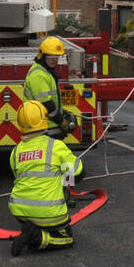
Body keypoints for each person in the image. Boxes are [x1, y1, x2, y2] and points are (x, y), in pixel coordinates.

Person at [9, 100, 83, 256]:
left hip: (20, 212)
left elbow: (20, 178)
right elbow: (78, 172)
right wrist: (65, 180)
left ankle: (32, 229)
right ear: (44, 119)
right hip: (50, 213)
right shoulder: (55, 146)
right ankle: (36, 236)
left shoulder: (15, 152)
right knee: (67, 238)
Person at [23, 36, 76, 137]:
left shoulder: (46, 71)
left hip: (47, 127)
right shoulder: (38, 74)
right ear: (42, 56)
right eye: (51, 56)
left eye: (57, 56)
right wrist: (61, 121)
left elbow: (49, 100)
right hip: (42, 128)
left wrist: (61, 110)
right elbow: (46, 103)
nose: (55, 59)